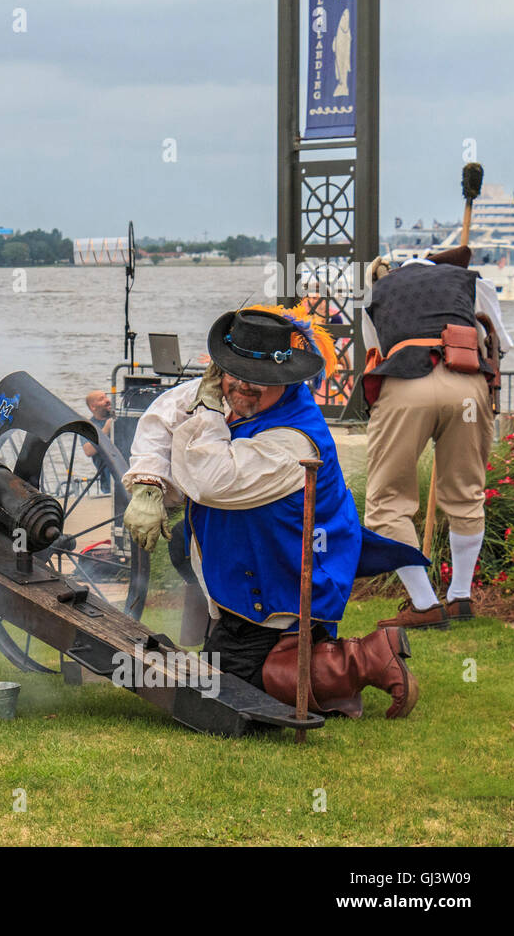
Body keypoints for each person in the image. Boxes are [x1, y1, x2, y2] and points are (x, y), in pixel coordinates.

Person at [121, 305, 426, 718]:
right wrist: (147, 484)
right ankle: (274, 647)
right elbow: (162, 416)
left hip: (286, 574)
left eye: (260, 380)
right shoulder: (220, 389)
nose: (245, 387)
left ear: (287, 379)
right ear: (222, 367)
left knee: (230, 687)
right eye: (236, 373)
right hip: (248, 561)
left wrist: (208, 409)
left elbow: (211, 482)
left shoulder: (294, 441)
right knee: (213, 656)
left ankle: (368, 657)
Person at [361, 246, 512, 630]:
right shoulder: (471, 281)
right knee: (465, 493)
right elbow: (501, 343)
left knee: (388, 502)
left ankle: (425, 603)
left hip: (407, 386)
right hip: (466, 384)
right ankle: (460, 596)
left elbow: (374, 350)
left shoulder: (379, 287)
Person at [81, 389, 114, 494]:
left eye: (106, 397)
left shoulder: (119, 417)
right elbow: (88, 451)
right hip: (108, 481)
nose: (107, 400)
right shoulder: (88, 426)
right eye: (101, 399)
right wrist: (106, 430)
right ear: (93, 407)